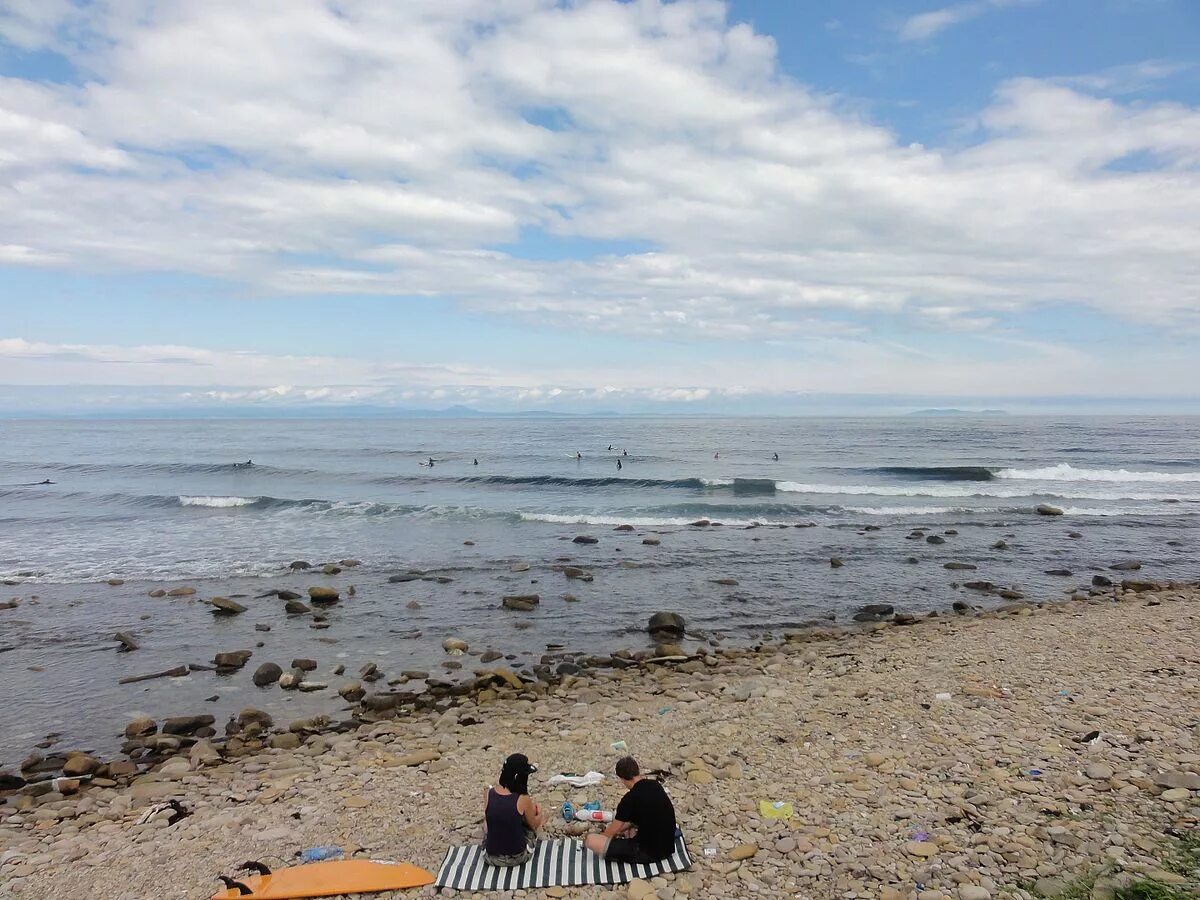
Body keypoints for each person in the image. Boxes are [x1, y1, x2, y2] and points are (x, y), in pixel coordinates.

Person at [584, 756, 676, 864]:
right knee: (629, 827)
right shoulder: (655, 785)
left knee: (591, 840)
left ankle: (628, 848)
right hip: (668, 847)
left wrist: (602, 838)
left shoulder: (629, 799)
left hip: (648, 853)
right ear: (637, 771)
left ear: (622, 779)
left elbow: (611, 832)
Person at [483, 754, 544, 866]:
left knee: (490, 822)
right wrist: (540, 813)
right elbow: (533, 825)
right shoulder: (522, 799)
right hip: (518, 857)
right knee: (531, 824)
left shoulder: (488, 794)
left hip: (490, 857)